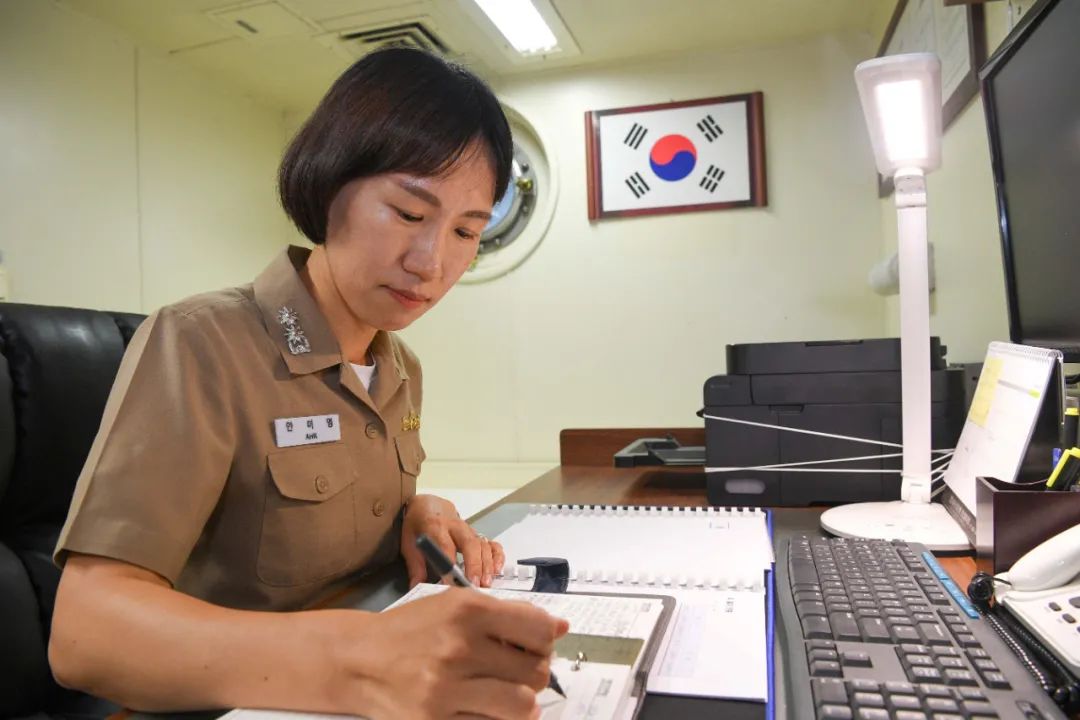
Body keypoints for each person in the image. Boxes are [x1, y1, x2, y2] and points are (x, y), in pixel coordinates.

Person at [48, 47, 567, 720]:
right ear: (329, 187)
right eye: (410, 214)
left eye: (467, 231)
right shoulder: (201, 343)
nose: (432, 261)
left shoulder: (400, 368)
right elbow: (87, 636)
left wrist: (416, 513)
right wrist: (362, 661)